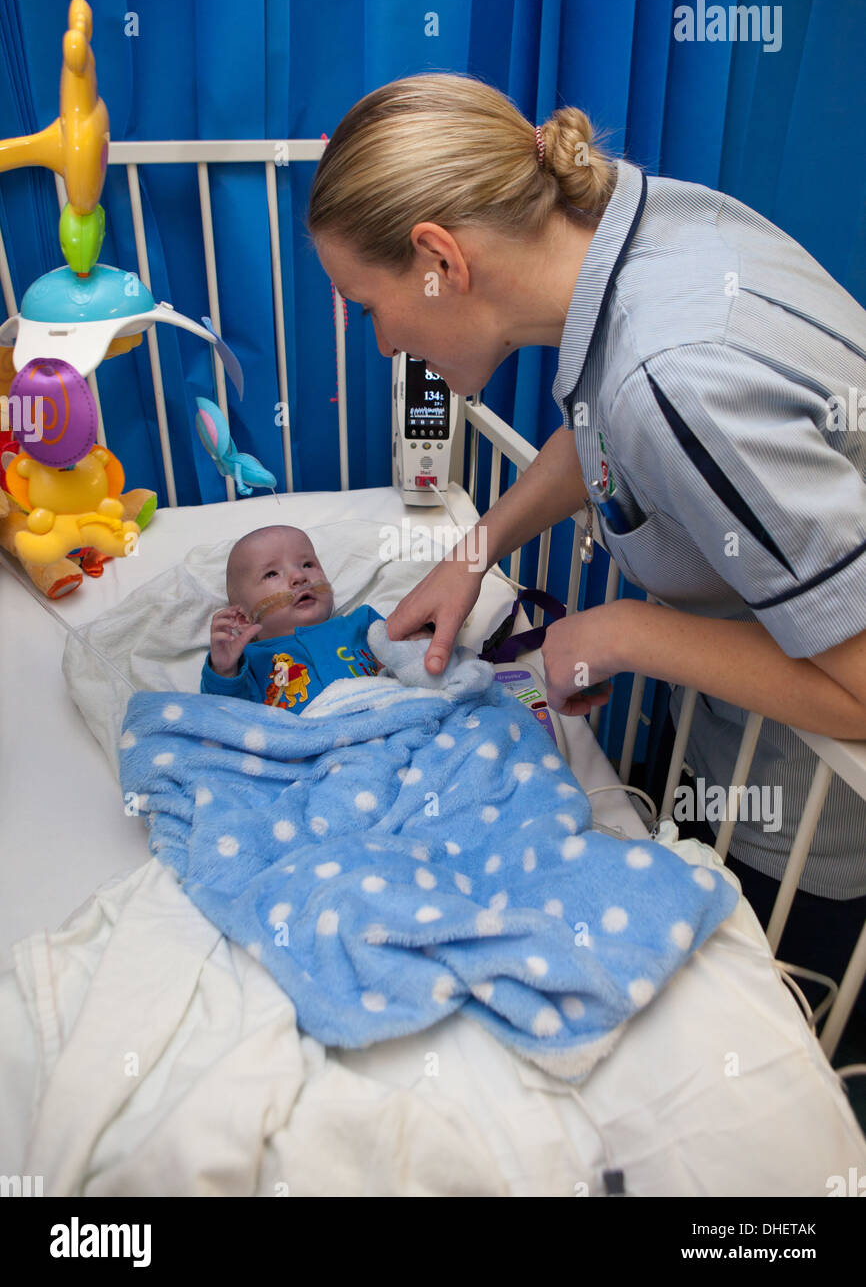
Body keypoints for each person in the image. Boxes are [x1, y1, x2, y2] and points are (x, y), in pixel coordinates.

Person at [307, 71, 866, 1010]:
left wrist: (621, 635)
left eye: (367, 306)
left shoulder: (675, 370)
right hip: (733, 737)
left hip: (822, 809)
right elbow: (607, 423)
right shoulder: (641, 238)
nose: (379, 345)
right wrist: (474, 550)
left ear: (439, 257)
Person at [202, 525, 383, 710]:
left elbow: (405, 657)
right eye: (271, 574)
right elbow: (228, 715)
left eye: (307, 565)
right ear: (243, 619)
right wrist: (224, 672)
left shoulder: (363, 623)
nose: (299, 576)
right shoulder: (249, 665)